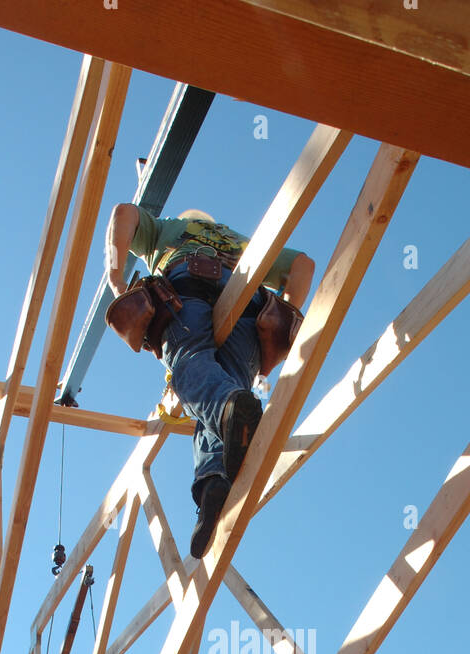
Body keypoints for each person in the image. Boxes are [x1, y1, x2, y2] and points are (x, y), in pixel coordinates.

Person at [104, 205, 314, 557]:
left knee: (190, 366)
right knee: (226, 390)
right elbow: (303, 264)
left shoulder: (169, 229)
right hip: (249, 304)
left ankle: (225, 410)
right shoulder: (245, 244)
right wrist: (284, 309)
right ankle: (212, 483)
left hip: (188, 289)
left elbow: (123, 212)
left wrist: (116, 277)